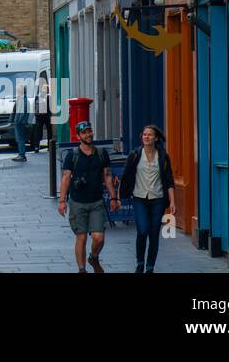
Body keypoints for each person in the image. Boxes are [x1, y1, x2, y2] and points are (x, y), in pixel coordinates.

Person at [57, 120, 119, 272]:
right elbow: (66, 178)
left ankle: (94, 257)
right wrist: (62, 200)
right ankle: (82, 269)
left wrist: (113, 197)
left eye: (89, 131)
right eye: (84, 132)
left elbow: (107, 176)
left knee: (99, 237)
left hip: (96, 201)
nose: (88, 134)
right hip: (78, 202)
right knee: (82, 237)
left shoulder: (101, 153)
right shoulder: (72, 156)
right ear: (78, 136)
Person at [120, 124, 177, 273]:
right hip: (139, 198)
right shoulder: (135, 154)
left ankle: (150, 266)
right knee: (143, 230)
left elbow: (169, 180)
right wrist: (119, 197)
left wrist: (172, 201)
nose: (146, 137)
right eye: (144, 134)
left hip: (158, 199)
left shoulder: (163, 156)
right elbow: (125, 176)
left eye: (149, 135)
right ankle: (140, 262)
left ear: (156, 138)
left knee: (154, 233)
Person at [10, 80, 32, 161]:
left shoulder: (23, 100)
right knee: (20, 139)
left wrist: (17, 121)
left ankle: (21, 155)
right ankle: (21, 154)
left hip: (20, 123)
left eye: (18, 90)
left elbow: (21, 113)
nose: (17, 91)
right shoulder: (21, 99)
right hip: (19, 122)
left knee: (20, 139)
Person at [31, 76, 51, 152]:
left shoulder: (37, 97)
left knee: (38, 131)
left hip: (38, 116)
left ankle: (36, 146)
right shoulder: (48, 97)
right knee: (49, 131)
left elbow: (33, 106)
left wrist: (35, 114)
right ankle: (49, 146)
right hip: (46, 116)